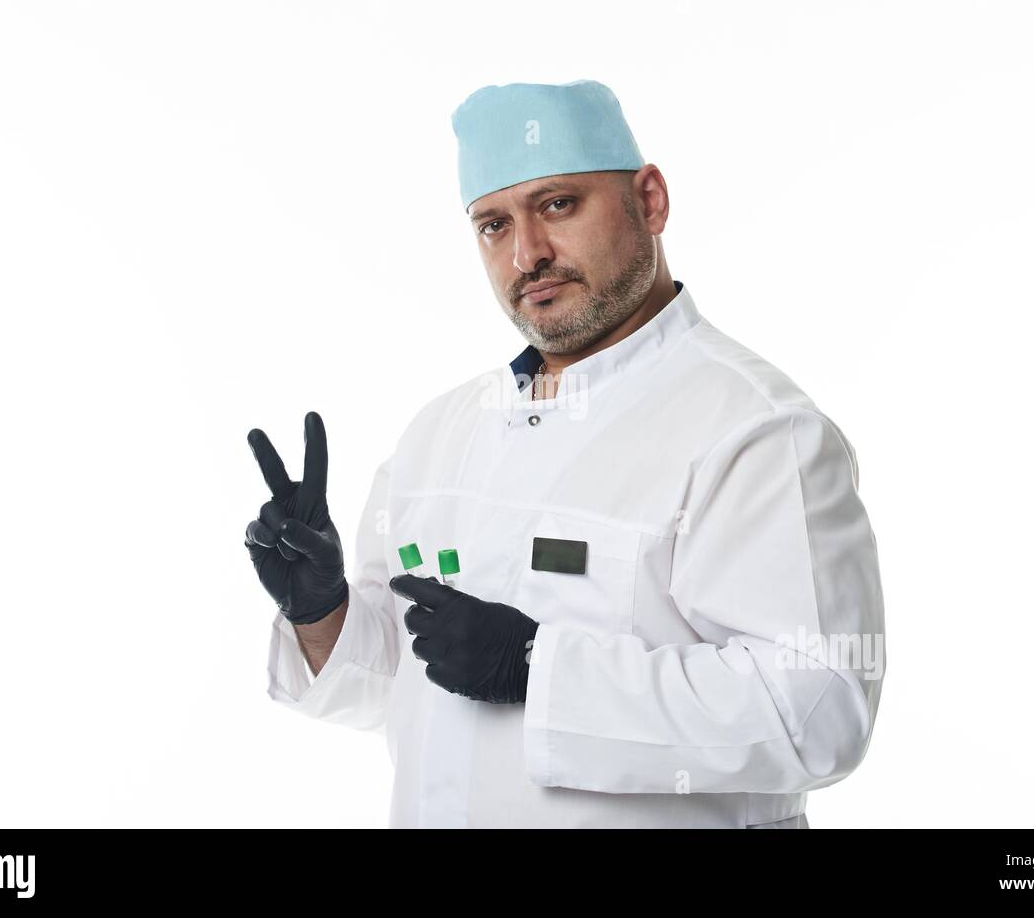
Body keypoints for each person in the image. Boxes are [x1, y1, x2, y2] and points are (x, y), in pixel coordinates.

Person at [244, 80, 886, 828]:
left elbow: (818, 710)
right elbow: (401, 685)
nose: (528, 253)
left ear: (649, 200)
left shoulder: (756, 430)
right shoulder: (440, 432)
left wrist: (538, 669)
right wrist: (321, 611)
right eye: (492, 224)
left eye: (557, 205)